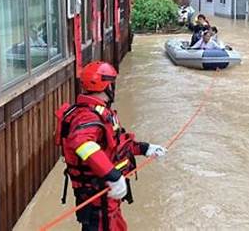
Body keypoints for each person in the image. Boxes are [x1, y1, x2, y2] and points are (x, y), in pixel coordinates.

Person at [55, 61, 167, 231]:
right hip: (98, 201)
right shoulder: (87, 116)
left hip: (108, 199)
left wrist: (145, 148)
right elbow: (82, 143)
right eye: (112, 84)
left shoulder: (99, 112)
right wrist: (112, 176)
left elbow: (116, 146)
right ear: (106, 86)